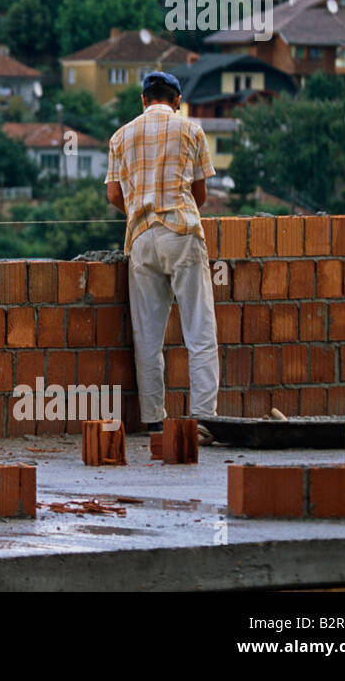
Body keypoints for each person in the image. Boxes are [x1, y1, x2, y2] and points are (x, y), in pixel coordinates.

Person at [105, 70, 218, 442]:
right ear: (176, 101)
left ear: (143, 99)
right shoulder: (192, 131)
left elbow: (113, 195)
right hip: (182, 233)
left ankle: (154, 421)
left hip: (140, 238)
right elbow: (199, 195)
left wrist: (141, 209)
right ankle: (203, 420)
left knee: (148, 336)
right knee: (199, 331)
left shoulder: (121, 136)